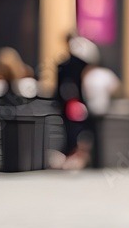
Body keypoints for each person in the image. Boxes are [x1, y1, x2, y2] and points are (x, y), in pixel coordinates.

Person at [52, 34, 91, 169]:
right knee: (77, 129)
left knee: (72, 129)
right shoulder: (79, 64)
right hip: (76, 102)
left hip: (70, 102)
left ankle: (73, 154)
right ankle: (73, 154)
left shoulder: (65, 65)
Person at [81, 44, 121, 169]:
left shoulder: (87, 75)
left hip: (90, 110)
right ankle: (100, 162)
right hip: (103, 110)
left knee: (91, 136)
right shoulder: (105, 74)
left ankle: (94, 161)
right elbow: (117, 88)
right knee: (101, 137)